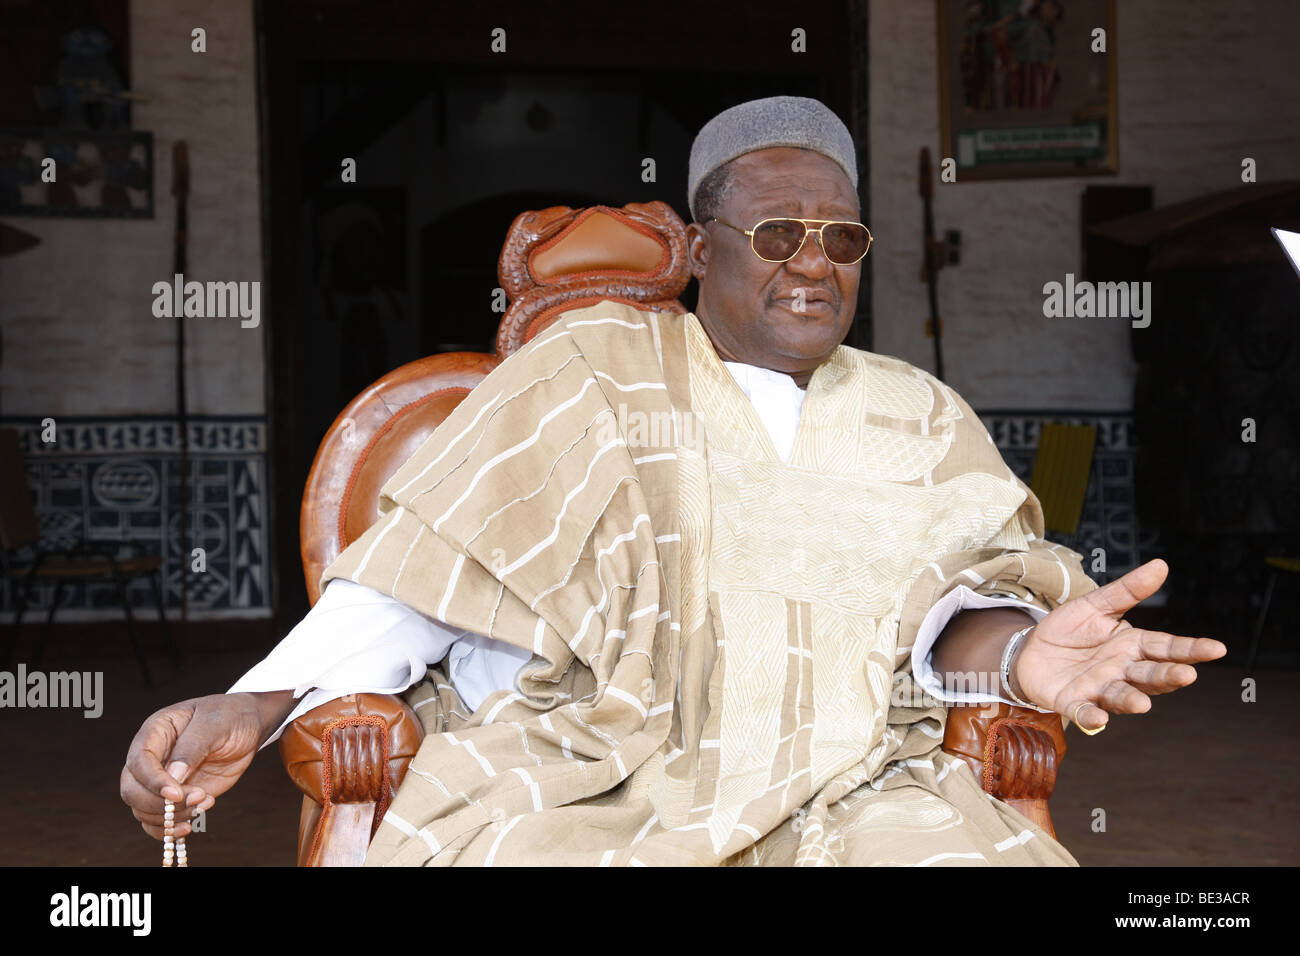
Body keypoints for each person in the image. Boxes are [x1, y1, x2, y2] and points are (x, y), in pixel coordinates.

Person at [121, 96, 1225, 866]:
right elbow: (423, 576)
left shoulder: (917, 412)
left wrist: (1024, 653)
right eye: (777, 231)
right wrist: (252, 702)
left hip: (850, 791)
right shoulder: (589, 368)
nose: (811, 261)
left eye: (841, 237)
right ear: (700, 250)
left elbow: (955, 615)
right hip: (593, 778)